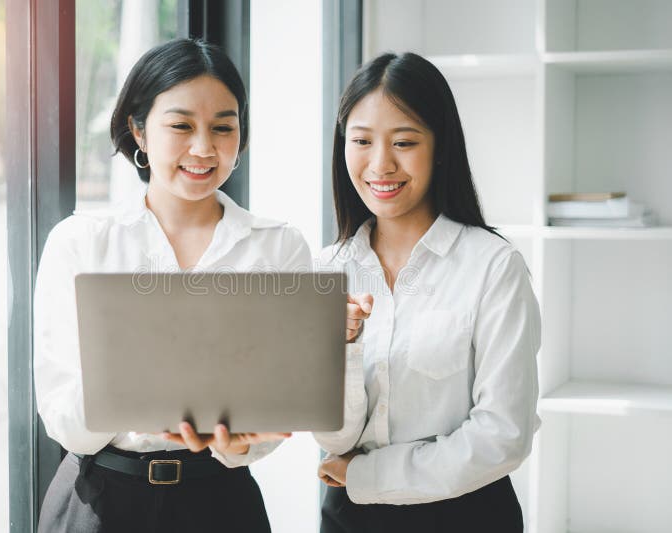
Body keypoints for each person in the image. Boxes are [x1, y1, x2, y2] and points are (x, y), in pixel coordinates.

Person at [33, 38, 312, 532]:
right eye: (181, 125)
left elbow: (273, 413)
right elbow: (64, 422)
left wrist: (241, 444)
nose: (203, 148)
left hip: (221, 504)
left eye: (223, 128)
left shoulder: (278, 247)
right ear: (138, 130)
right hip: (100, 501)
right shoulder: (81, 242)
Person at [314, 51, 541, 533]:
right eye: (361, 141)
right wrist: (344, 349)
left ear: (440, 147)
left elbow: (504, 434)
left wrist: (369, 474)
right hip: (348, 516)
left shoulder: (493, 266)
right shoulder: (326, 269)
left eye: (404, 141)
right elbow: (332, 437)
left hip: (467, 515)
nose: (381, 165)